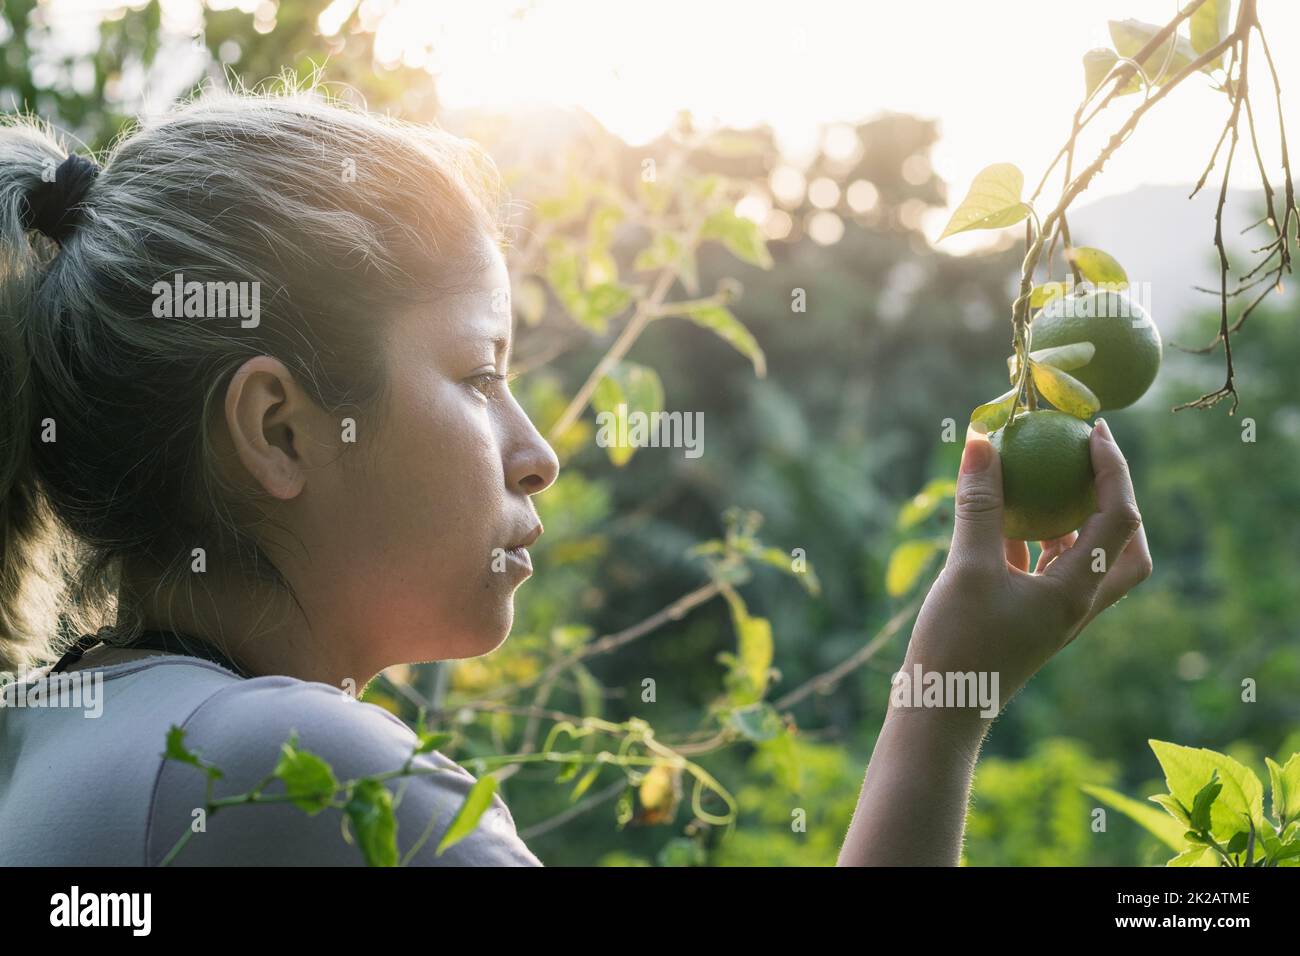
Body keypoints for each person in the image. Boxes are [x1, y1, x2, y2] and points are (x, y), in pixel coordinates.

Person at [0, 84, 1150, 868]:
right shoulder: (316, 776)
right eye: (479, 371)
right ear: (280, 430)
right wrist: (945, 705)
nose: (536, 450)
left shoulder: (47, 733)